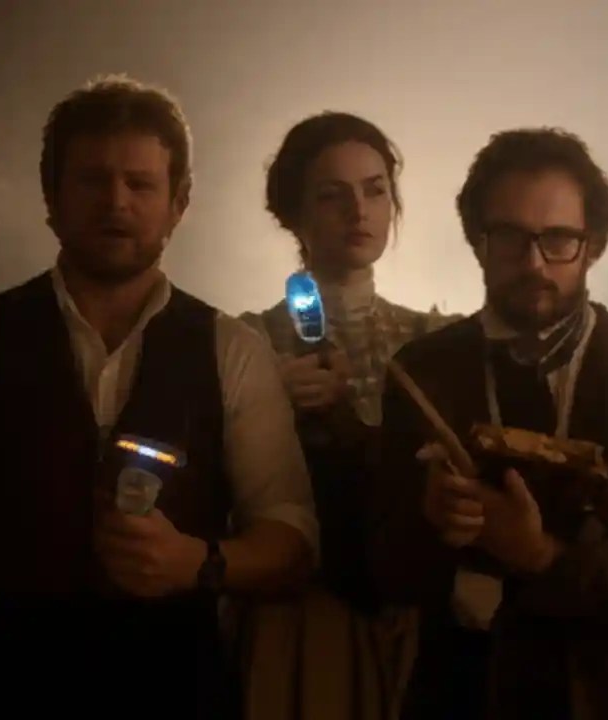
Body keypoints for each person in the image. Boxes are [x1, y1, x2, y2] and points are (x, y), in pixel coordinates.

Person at [0, 75, 318, 719]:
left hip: (181, 699)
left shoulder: (233, 351)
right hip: (4, 696)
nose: (116, 203)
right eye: (93, 180)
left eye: (140, 184)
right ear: (51, 197)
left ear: (179, 203)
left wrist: (199, 563)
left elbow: (291, 537)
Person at [370, 127, 608, 720]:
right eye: (509, 237)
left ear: (595, 244)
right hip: (460, 695)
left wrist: (545, 556)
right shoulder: (421, 372)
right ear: (477, 242)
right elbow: (378, 566)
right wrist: (427, 521)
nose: (533, 263)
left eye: (558, 239)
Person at [237, 111, 455, 720]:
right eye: (333, 196)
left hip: (416, 607)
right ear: (293, 214)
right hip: (302, 611)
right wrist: (265, 406)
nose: (359, 211)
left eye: (375, 190)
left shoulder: (433, 337)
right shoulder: (248, 343)